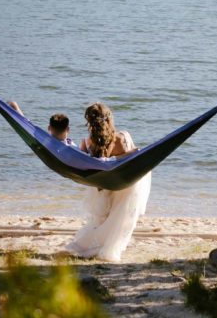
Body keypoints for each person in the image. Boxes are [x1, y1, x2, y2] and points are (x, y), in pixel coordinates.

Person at [62, 102, 151, 262]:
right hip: (123, 185)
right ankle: (109, 246)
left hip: (101, 187)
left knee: (102, 220)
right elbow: (130, 164)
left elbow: (82, 165)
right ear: (109, 119)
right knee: (119, 218)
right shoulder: (122, 138)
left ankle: (93, 244)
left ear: (89, 122)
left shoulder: (86, 143)